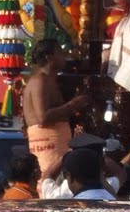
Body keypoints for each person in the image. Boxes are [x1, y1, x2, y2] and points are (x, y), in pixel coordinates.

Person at [22, 38, 91, 182]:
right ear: (49, 57)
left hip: (59, 146)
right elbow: (43, 118)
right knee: (52, 188)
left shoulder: (50, 80)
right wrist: (73, 105)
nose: (64, 55)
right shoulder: (39, 81)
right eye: (60, 52)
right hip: (48, 149)